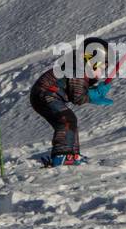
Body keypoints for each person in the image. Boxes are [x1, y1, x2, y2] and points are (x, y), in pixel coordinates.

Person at [29, 36, 113, 166]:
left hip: (47, 95)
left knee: (70, 121)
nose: (102, 71)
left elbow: (77, 88)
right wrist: (92, 95)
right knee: (67, 120)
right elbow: (77, 97)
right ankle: (61, 155)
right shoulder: (77, 70)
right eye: (101, 66)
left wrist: (92, 91)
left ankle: (72, 154)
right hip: (45, 94)